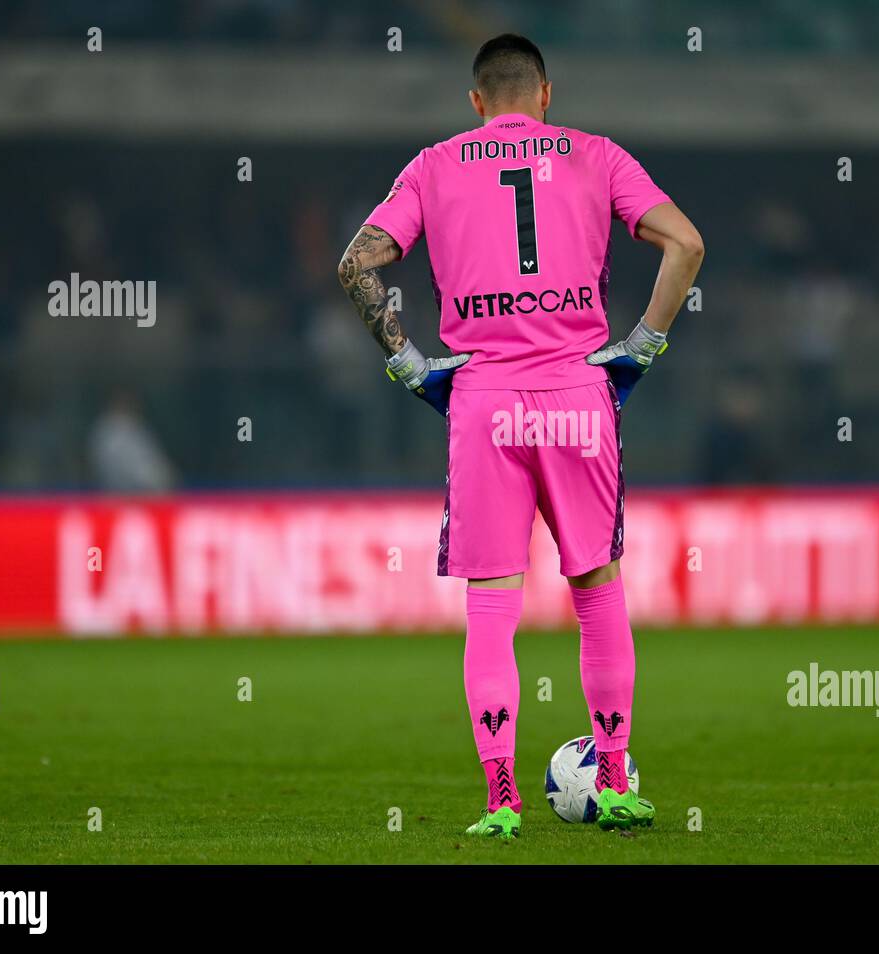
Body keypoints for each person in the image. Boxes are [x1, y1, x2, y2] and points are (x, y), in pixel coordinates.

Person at [336, 34, 703, 839]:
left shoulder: (433, 165)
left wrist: (408, 363)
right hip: (580, 398)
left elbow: (355, 267)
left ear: (477, 102)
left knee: (491, 609)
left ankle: (501, 802)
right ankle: (613, 782)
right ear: (546, 94)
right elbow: (687, 244)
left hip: (483, 404)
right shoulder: (598, 155)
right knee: (599, 595)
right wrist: (640, 348)